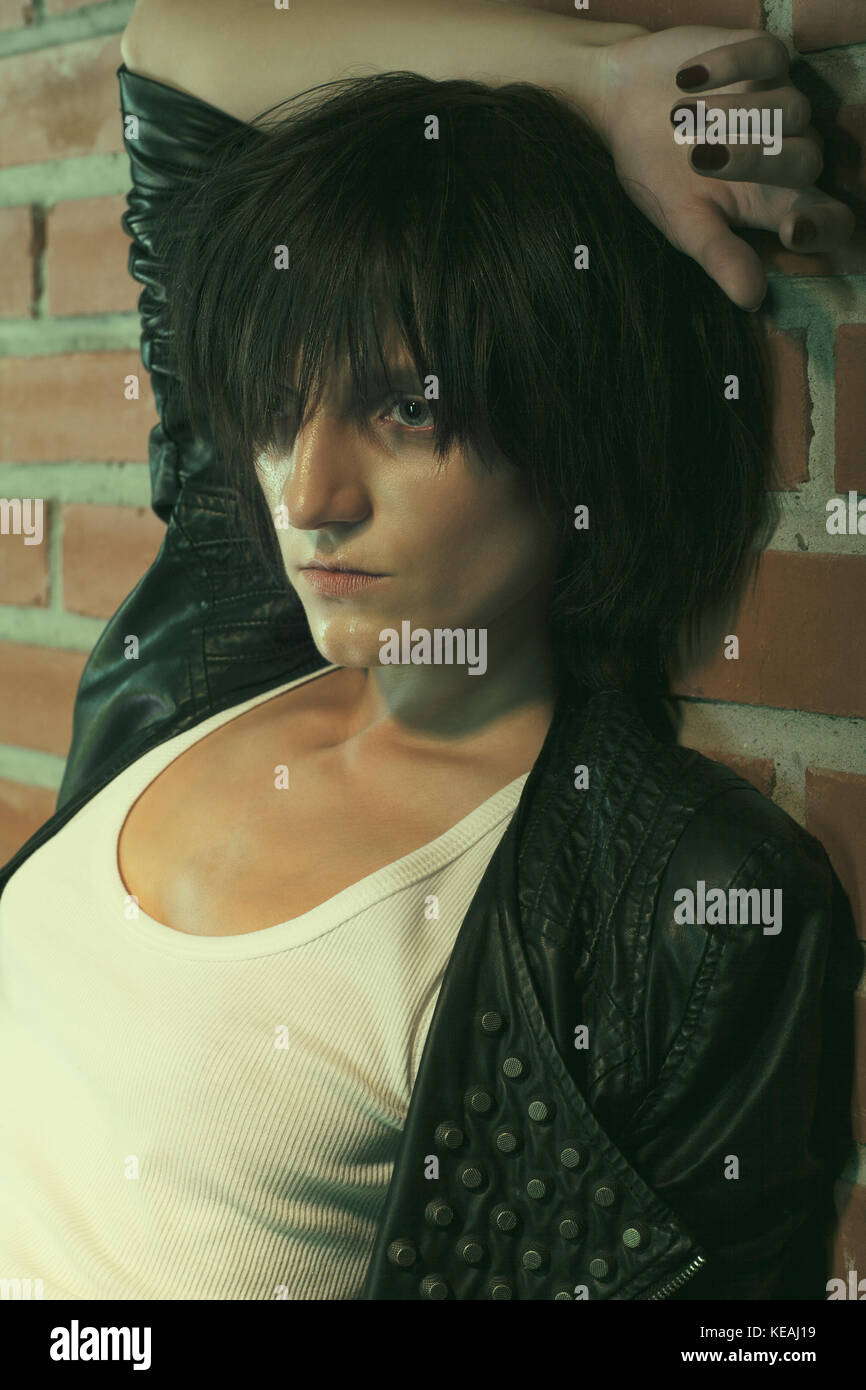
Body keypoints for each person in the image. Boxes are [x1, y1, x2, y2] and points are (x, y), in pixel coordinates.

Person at [0, 2, 859, 1302]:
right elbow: (178, 42)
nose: (310, 492)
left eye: (407, 407)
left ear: (577, 430)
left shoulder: (671, 906)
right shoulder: (224, 636)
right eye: (281, 406)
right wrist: (594, 83)